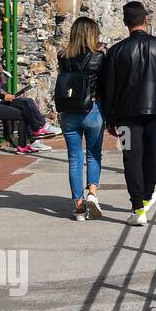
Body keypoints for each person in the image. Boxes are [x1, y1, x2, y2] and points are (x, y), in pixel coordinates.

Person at [98, 1, 156, 227]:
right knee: (151, 154)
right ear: (146, 20)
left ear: (125, 22)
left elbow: (109, 89)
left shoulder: (116, 51)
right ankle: (147, 194)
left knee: (131, 157)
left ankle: (137, 207)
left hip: (126, 114)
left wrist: (110, 118)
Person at [55, 16, 105, 221]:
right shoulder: (99, 57)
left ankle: (78, 205)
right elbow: (104, 85)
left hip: (68, 111)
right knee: (93, 155)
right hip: (92, 109)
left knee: (74, 158)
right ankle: (92, 194)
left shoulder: (63, 56)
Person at [0, 53, 56, 150]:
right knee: (23, 114)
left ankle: (37, 130)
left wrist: (7, 95)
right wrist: (4, 97)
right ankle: (26, 141)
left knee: (26, 103)